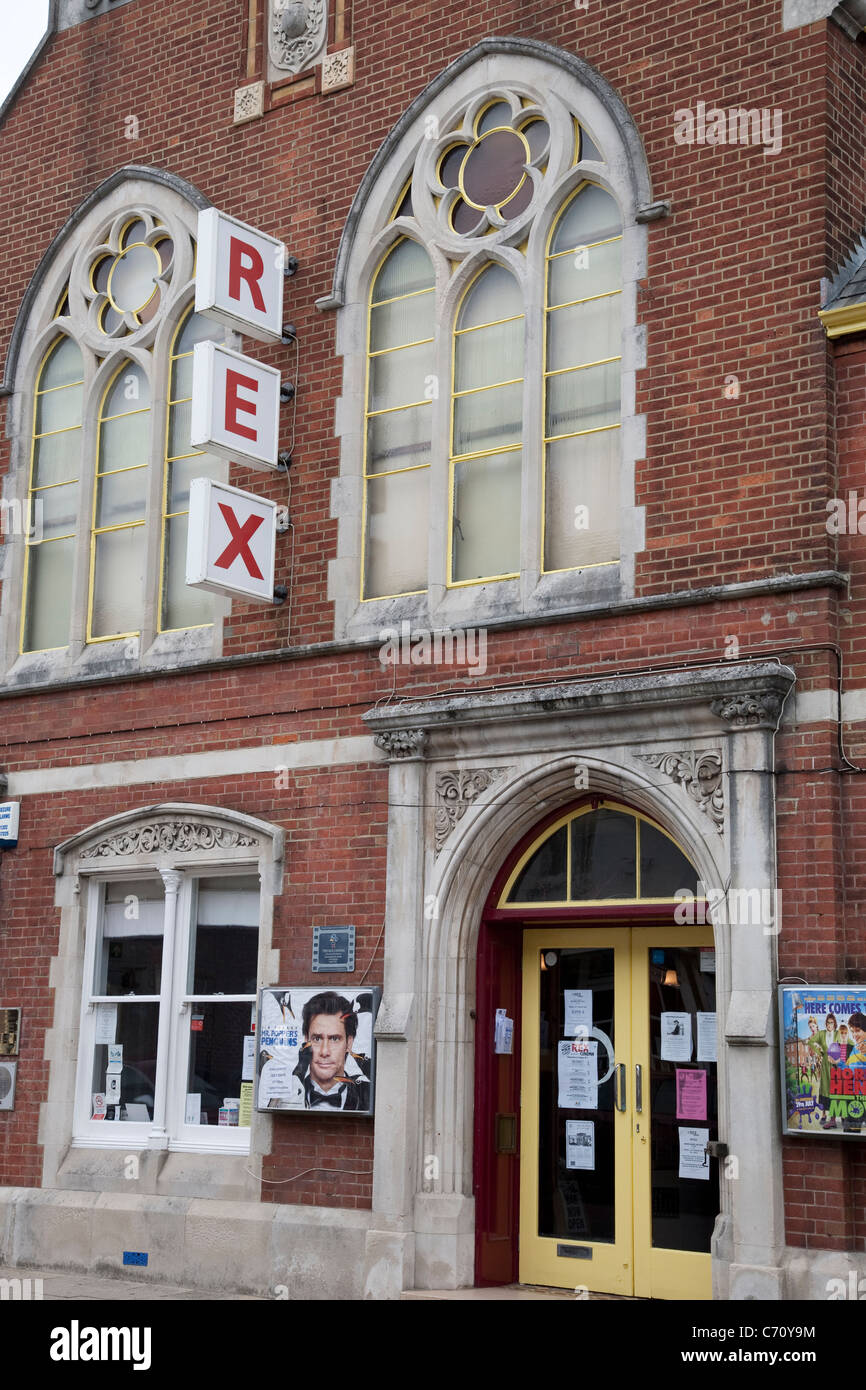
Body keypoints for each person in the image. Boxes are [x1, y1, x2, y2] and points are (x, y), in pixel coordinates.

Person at [291, 992, 371, 1111]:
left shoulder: (368, 1092)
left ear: (349, 1043)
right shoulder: (289, 1089)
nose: (324, 1052)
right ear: (306, 1041)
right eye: (317, 1038)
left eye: (334, 1039)